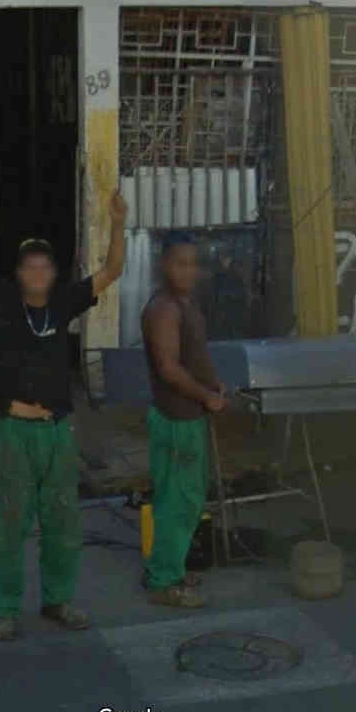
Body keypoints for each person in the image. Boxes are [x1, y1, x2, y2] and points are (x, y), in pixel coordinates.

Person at [0, 178, 127, 641]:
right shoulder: (5, 299)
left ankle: (58, 599)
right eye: (28, 265)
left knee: (62, 522)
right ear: (19, 271)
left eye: (43, 265)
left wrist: (118, 222)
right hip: (16, 431)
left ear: (53, 272)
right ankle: (4, 608)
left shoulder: (65, 300)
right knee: (10, 523)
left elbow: (112, 271)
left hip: (58, 432)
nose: (36, 271)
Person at [140, 233, 227, 607]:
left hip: (188, 417)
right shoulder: (164, 308)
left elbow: (193, 358)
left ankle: (168, 568)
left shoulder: (183, 303)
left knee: (183, 500)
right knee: (178, 502)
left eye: (193, 263)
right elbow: (169, 368)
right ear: (164, 264)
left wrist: (214, 384)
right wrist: (206, 395)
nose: (188, 270)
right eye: (180, 262)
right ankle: (163, 582)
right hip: (177, 421)